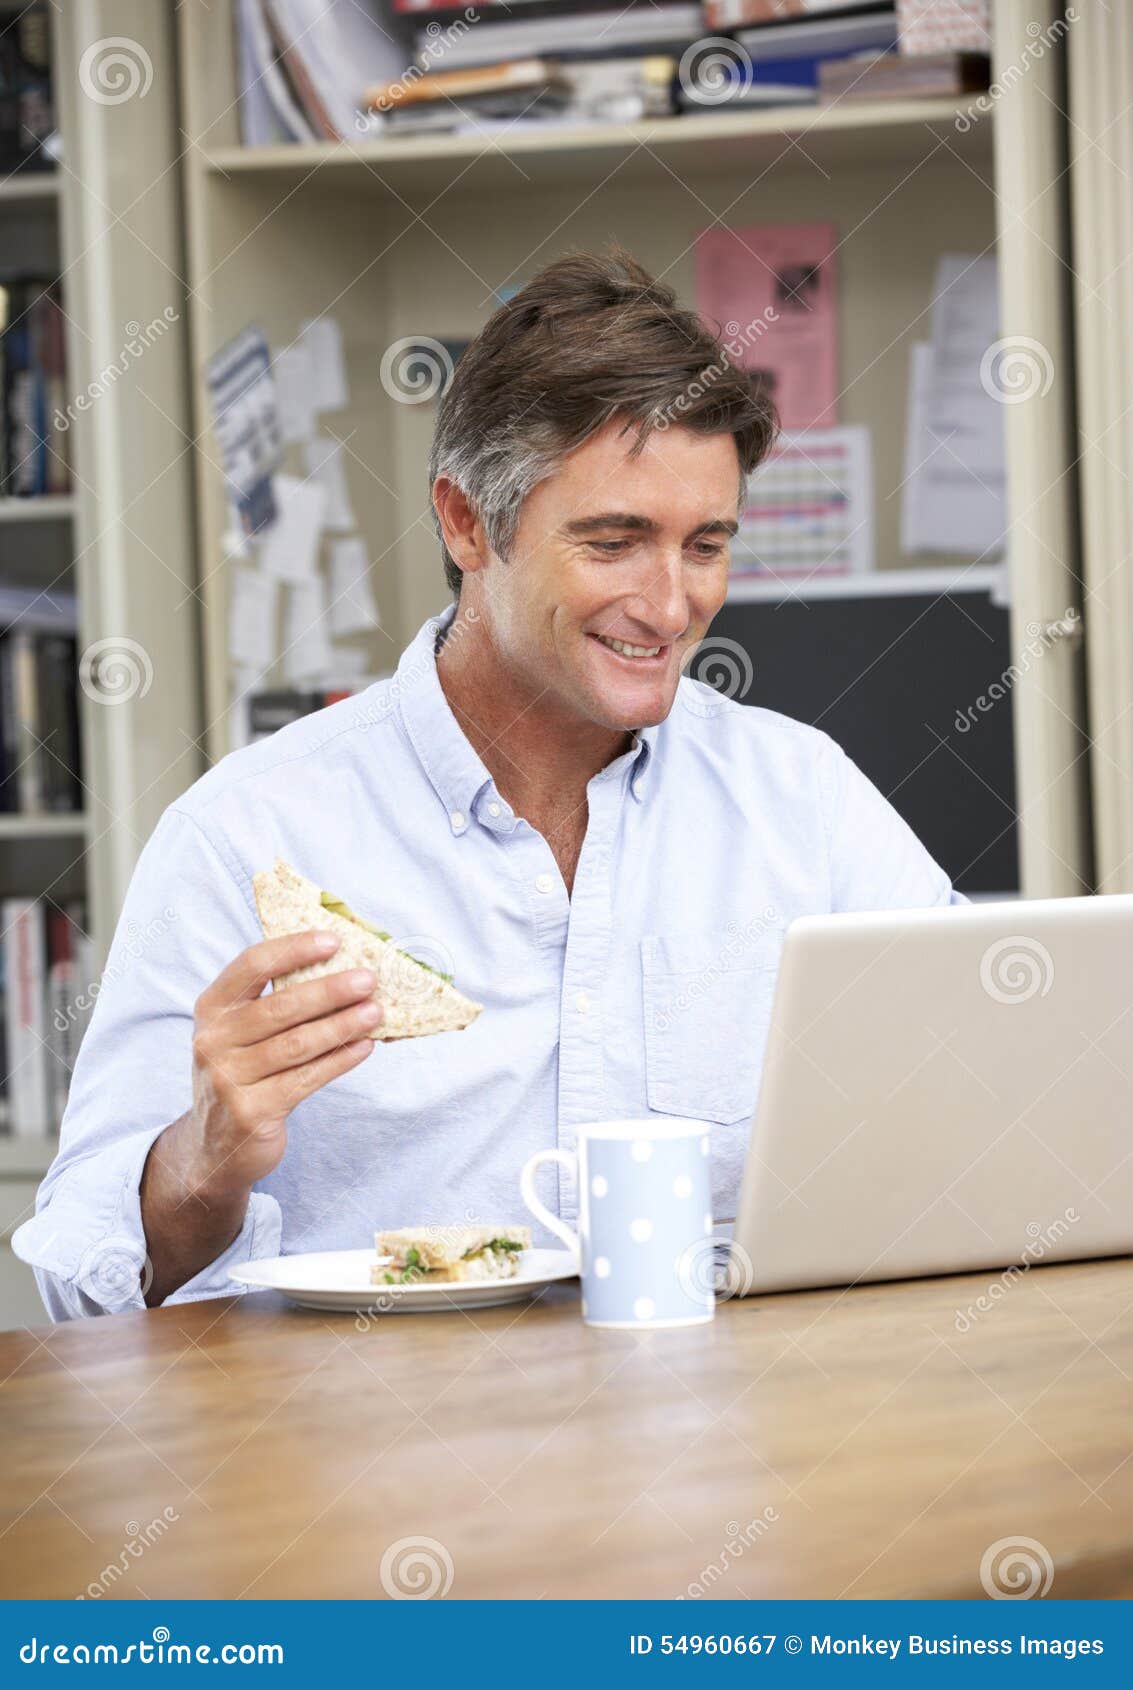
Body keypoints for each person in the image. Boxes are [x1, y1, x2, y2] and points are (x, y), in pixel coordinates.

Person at [15, 248, 963, 1320]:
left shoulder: (804, 801)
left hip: (729, 1441)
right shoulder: (245, 837)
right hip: (366, 1465)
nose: (668, 603)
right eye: (614, 541)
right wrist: (202, 1160)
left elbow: (986, 1101)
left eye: (705, 545)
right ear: (467, 522)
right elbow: (76, 1300)